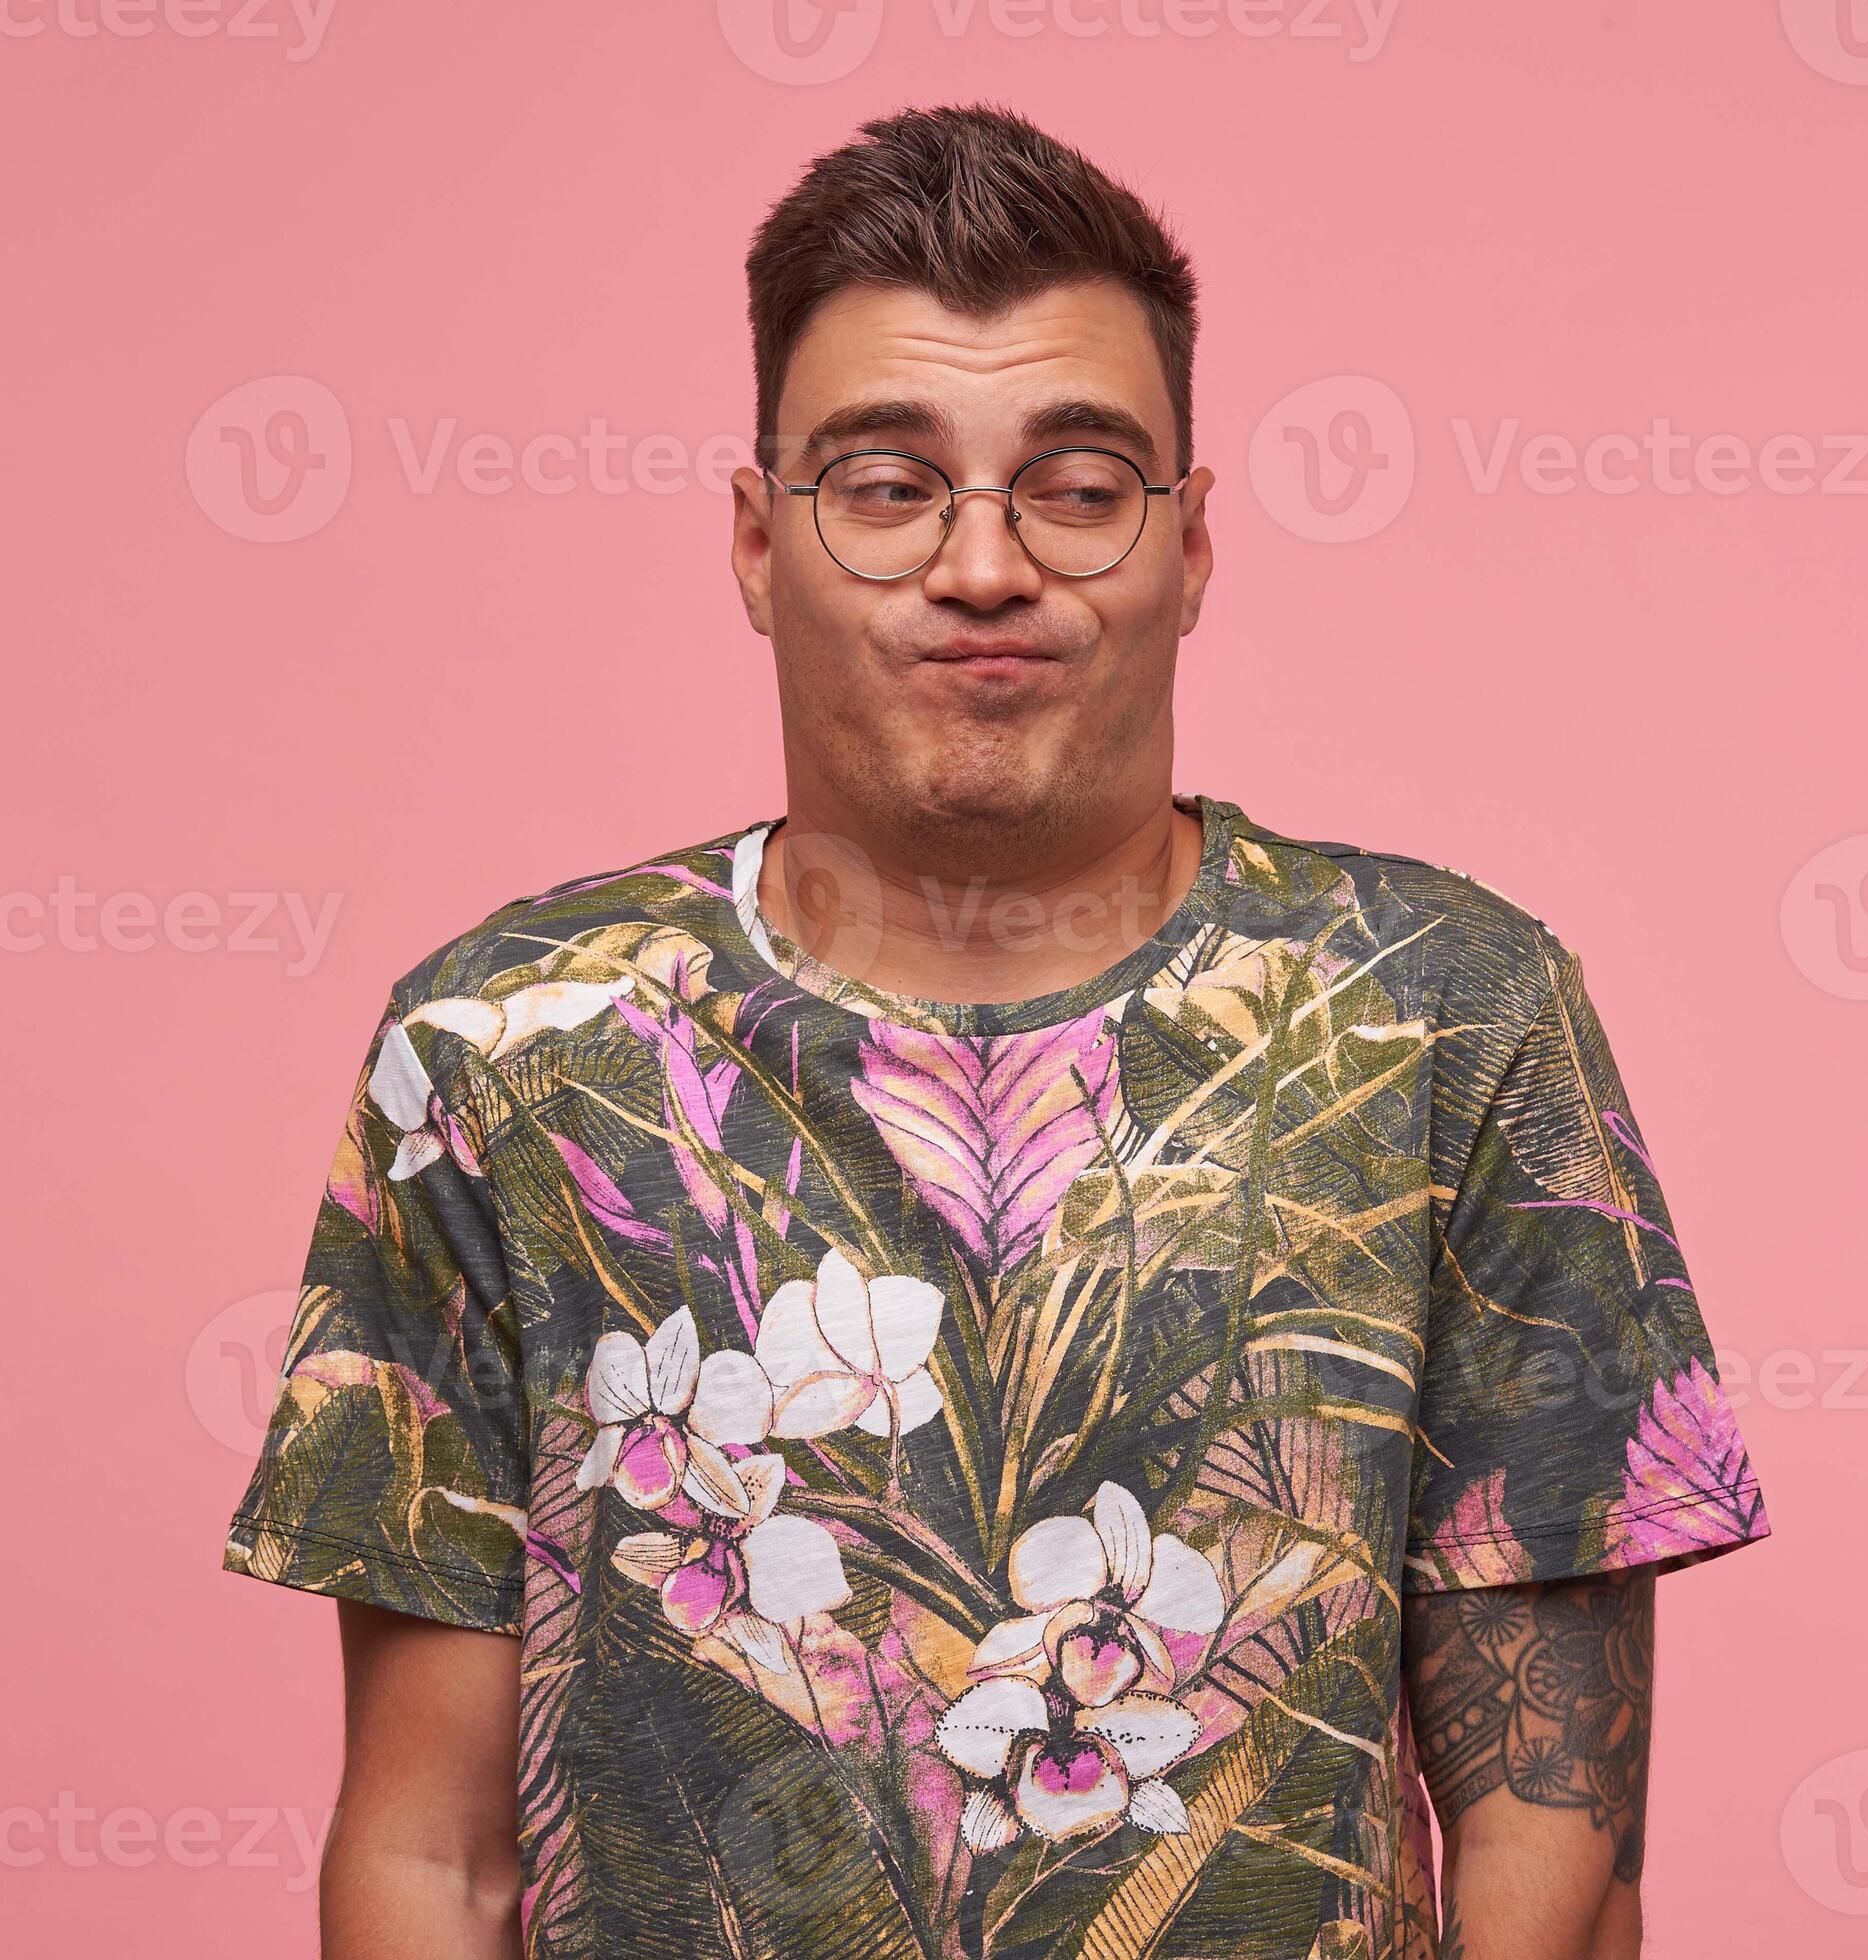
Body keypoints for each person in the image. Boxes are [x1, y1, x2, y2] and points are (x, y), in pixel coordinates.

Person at [221, 102, 1768, 1960]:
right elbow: (428, 1857)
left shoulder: (1442, 1015)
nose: (981, 565)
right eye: (885, 484)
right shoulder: (506, 1060)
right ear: (753, 541)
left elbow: (1562, 1848)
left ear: (1190, 545)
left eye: (1080, 481)